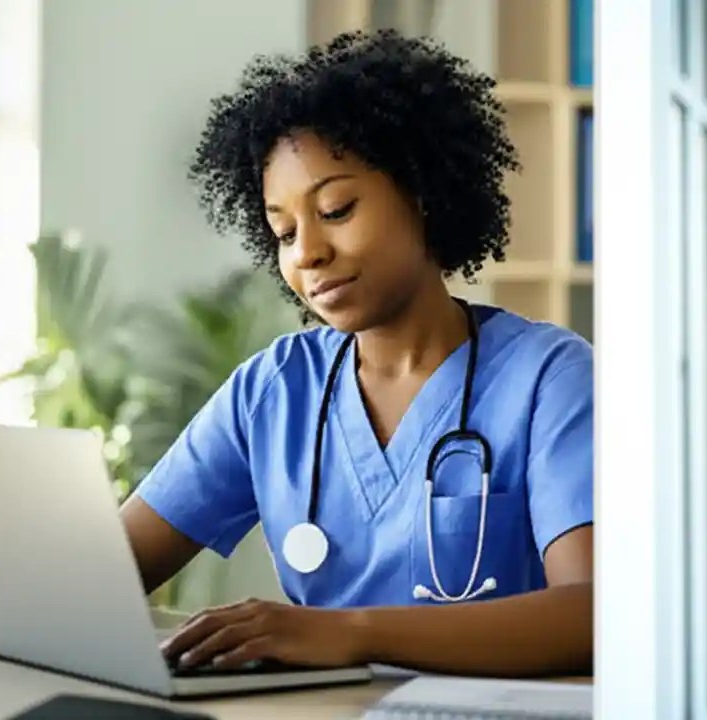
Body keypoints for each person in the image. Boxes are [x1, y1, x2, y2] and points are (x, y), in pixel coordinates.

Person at [119, 30, 593, 677]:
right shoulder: (274, 390)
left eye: (336, 209)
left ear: (421, 194)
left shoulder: (549, 379)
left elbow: (589, 613)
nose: (307, 253)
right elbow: (109, 571)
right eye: (283, 231)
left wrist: (349, 633)